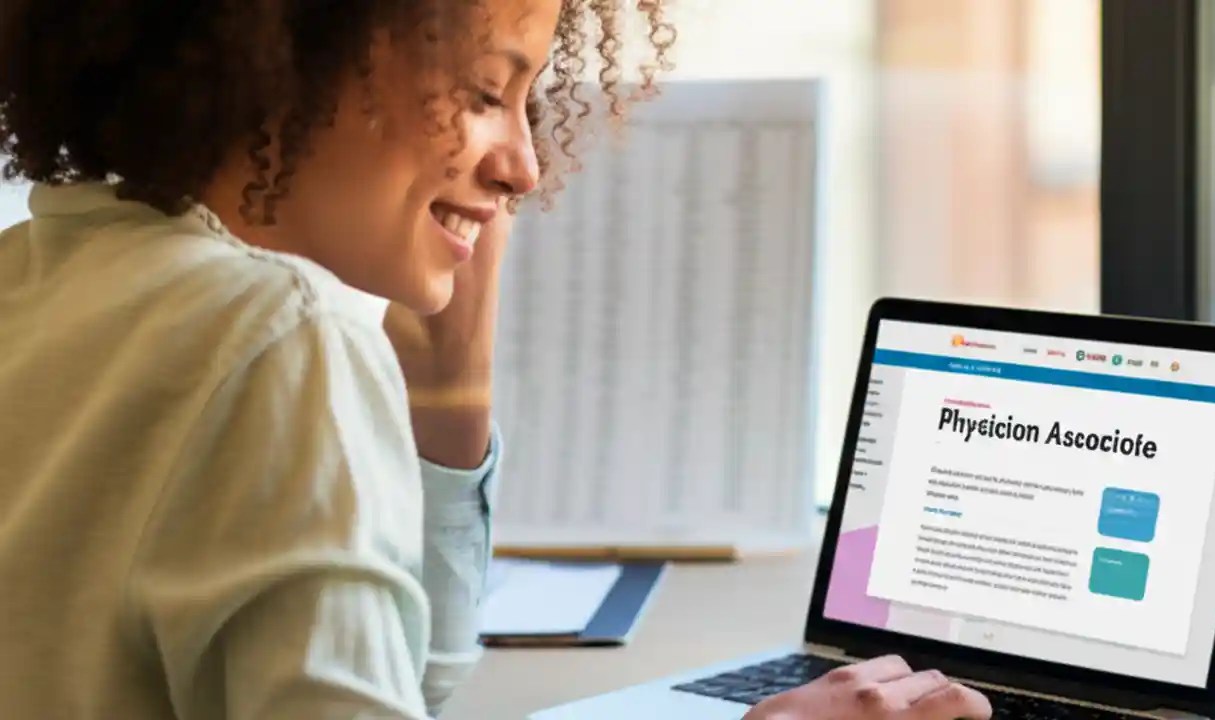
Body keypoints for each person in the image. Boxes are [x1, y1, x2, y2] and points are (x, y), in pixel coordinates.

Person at [0, 1, 992, 719]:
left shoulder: (35, 278)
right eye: (486, 92)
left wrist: (451, 368)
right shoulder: (279, 333)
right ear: (290, 48)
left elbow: (397, 682)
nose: (522, 163)